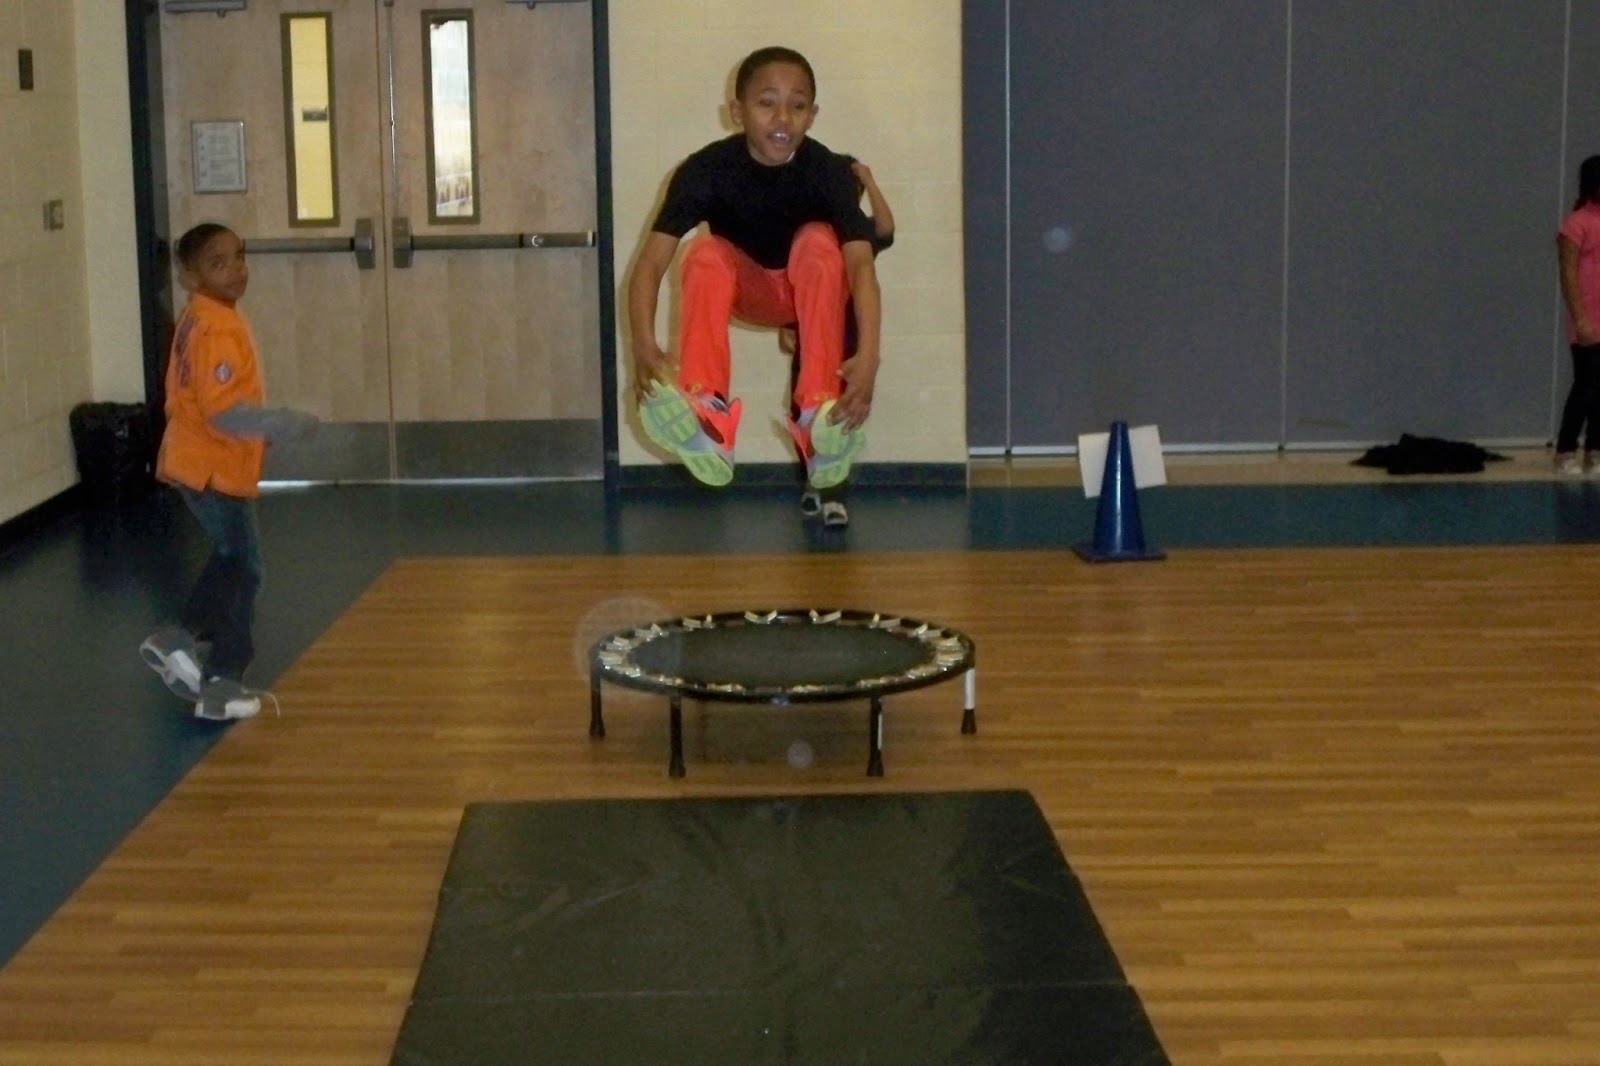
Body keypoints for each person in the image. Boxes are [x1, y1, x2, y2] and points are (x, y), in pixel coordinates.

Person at [628, 45, 882, 492]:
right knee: (704, 254)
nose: (782, 117)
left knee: (821, 242)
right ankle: (708, 413)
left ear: (813, 114)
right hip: (748, 290)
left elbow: (860, 266)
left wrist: (869, 358)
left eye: (797, 105)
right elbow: (650, 263)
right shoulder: (705, 170)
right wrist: (644, 345)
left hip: (810, 286)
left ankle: (815, 412)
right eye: (767, 102)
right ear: (736, 111)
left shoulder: (827, 171)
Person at [138, 223, 317, 720]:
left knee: (232, 557)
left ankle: (177, 638)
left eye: (239, 256)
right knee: (246, 567)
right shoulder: (216, 326)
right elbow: (221, 411)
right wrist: (280, 422)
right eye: (219, 262)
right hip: (210, 468)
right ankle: (223, 683)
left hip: (202, 462)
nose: (236, 269)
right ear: (189, 275)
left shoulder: (202, 315)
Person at [781, 157, 895, 526]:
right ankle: (812, 485)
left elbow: (887, 228)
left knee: (843, 414)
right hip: (812, 339)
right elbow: (791, 281)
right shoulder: (812, 232)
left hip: (848, 340)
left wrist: (870, 180)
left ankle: (835, 496)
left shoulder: (857, 231)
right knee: (805, 412)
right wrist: (788, 322)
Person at [1556, 154, 1600, 477]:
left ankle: (1595, 451)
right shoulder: (1575, 224)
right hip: (1587, 319)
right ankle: (1565, 450)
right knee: (1586, 385)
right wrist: (1581, 319)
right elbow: (1568, 275)